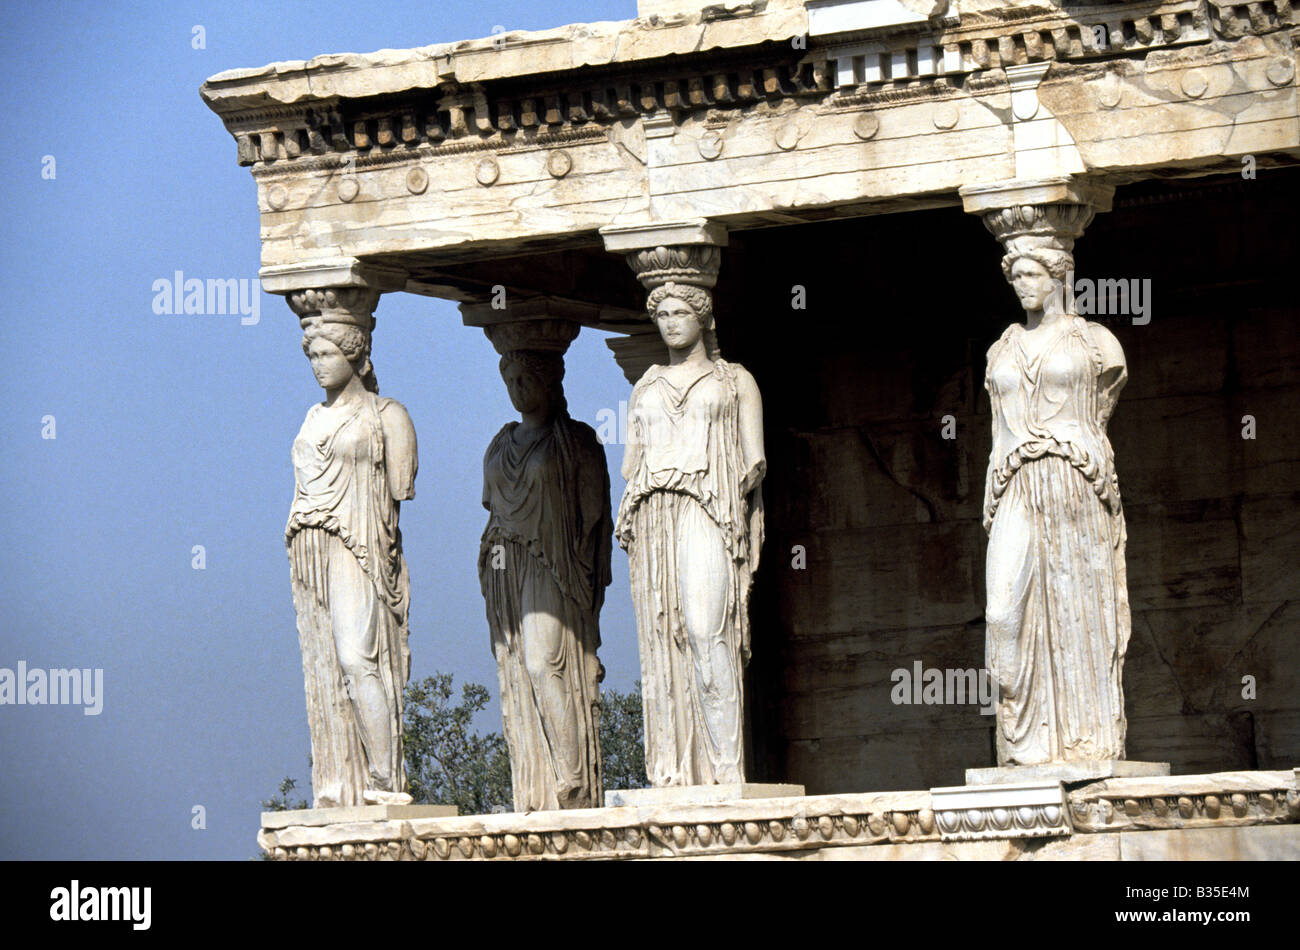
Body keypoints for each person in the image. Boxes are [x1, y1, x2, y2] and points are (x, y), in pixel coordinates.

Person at [983, 249, 1130, 765]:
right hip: (1015, 483)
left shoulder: (1096, 343)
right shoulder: (1001, 348)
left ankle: (1085, 742)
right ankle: (1024, 746)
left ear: (1058, 276)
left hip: (1074, 476)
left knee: (1078, 608)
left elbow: (1104, 401)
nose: (1023, 285)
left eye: (1032, 275)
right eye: (1015, 275)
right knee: (1003, 613)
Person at [616, 281, 765, 786]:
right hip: (656, 515)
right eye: (662, 314)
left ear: (703, 317)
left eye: (681, 312)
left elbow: (752, 462)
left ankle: (726, 766)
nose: (670, 322)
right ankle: (675, 769)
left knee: (707, 629)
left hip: (709, 510)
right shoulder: (646, 386)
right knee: (665, 639)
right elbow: (632, 466)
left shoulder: (735, 382)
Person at [286, 317, 417, 807]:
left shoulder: (388, 416)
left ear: (354, 353)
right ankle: (342, 782)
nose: (318, 367)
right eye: (312, 357)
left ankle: (386, 779)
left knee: (356, 658)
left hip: (359, 546)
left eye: (326, 355)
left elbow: (401, 486)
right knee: (326, 666)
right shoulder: (311, 418)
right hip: (310, 547)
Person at [479, 348, 611, 811]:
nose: (517, 389)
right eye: (510, 380)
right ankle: (537, 782)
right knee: (517, 665)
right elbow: (491, 507)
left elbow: (594, 520)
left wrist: (586, 579)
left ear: (552, 381)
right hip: (506, 564)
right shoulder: (499, 444)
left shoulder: (577, 442)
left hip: (555, 564)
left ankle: (573, 778)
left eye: (526, 379)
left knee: (542, 662)